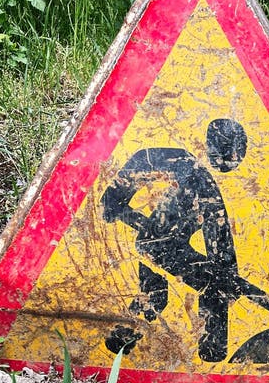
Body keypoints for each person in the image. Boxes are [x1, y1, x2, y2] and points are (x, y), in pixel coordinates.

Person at [101, 118, 247, 361]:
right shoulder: (181, 163)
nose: (231, 161)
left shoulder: (207, 188)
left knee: (157, 296)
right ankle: (212, 352)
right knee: (212, 287)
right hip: (159, 246)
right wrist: (134, 217)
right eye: (230, 154)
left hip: (159, 245)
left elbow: (219, 242)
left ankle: (122, 338)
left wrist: (231, 274)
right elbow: (112, 200)